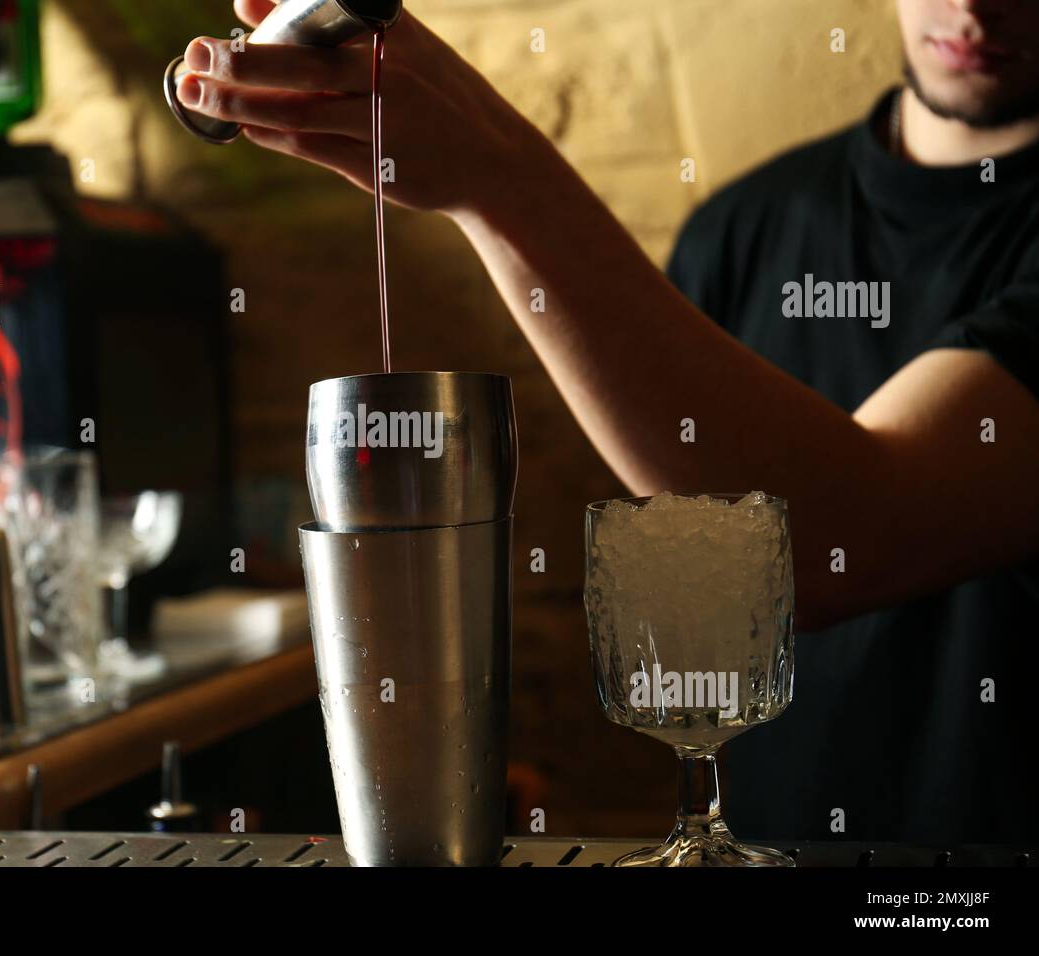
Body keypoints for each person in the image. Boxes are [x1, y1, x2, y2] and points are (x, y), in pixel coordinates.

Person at [175, 0, 1039, 845]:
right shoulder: (742, 227)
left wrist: (498, 174)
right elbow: (712, 604)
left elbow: (839, 534)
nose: (974, 6)